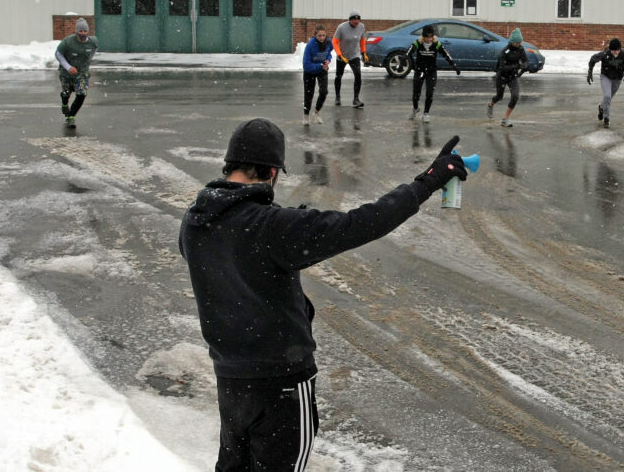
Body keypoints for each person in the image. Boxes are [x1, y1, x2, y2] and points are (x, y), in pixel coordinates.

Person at [179, 118, 467, 471]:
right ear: (272, 172)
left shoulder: (194, 223)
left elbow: (234, 262)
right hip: (280, 383)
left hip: (230, 380)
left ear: (229, 166)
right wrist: (428, 181)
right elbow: (363, 223)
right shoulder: (272, 226)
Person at [406, 24, 460, 122]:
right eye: (426, 37)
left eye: (430, 37)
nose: (428, 39)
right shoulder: (418, 43)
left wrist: (453, 65)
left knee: (429, 93)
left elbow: (446, 54)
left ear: (433, 36)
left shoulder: (436, 44)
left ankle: (426, 113)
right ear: (423, 36)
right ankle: (415, 109)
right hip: (420, 71)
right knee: (416, 94)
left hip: (431, 71)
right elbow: (408, 52)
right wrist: (403, 62)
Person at [54, 18, 98, 128]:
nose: (83, 34)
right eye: (80, 31)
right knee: (67, 92)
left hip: (82, 72)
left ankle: (71, 117)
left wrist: (85, 64)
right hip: (67, 73)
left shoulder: (93, 42)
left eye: (85, 31)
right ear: (76, 32)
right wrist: (68, 67)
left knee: (81, 93)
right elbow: (58, 54)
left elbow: (92, 52)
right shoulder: (68, 42)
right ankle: (64, 102)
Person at [587, 38, 624, 128]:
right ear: (610, 49)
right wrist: (590, 71)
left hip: (617, 79)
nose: (617, 52)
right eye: (614, 50)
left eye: (618, 50)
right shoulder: (605, 54)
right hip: (606, 77)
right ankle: (606, 119)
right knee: (607, 96)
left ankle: (601, 108)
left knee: (608, 99)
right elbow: (593, 59)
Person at [487, 28, 529, 128]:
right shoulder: (505, 51)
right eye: (518, 42)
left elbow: (525, 61)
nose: (519, 44)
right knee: (499, 97)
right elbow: (502, 67)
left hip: (513, 77)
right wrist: (516, 66)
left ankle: (505, 119)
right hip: (502, 76)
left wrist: (524, 66)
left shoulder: (521, 49)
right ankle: (491, 105)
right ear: (512, 42)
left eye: (520, 42)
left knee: (515, 96)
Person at [332, 11, 369, 108]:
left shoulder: (361, 27)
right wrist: (340, 55)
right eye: (354, 20)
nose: (356, 22)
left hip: (354, 55)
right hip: (342, 56)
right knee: (338, 76)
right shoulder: (341, 28)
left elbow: (362, 40)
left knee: (358, 75)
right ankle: (337, 97)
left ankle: (356, 99)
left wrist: (364, 52)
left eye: (358, 20)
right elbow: (334, 42)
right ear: (350, 20)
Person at [302, 25, 333, 125]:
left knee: (324, 91)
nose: (321, 38)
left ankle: (317, 112)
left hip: (322, 70)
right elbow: (306, 65)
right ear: (315, 35)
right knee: (309, 94)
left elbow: (329, 53)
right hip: (310, 72)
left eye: (323, 35)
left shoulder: (328, 42)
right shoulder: (310, 45)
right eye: (319, 35)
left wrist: (328, 60)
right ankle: (306, 115)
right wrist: (320, 66)